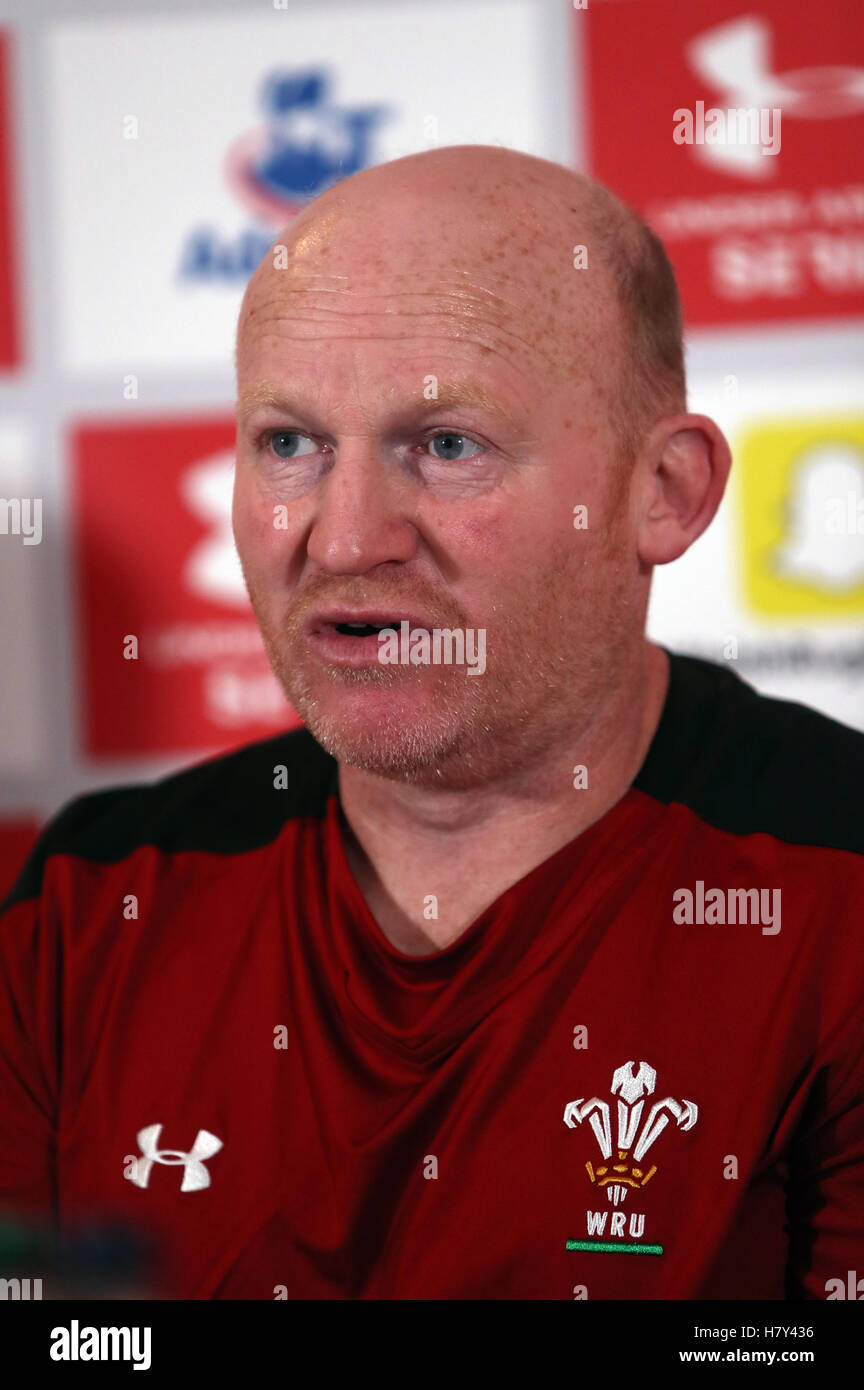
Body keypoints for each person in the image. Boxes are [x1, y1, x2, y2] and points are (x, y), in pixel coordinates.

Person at [1, 146, 862, 1300]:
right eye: (291, 444)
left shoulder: (834, 882)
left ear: (664, 493)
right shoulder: (93, 900)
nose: (346, 537)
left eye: (448, 446)